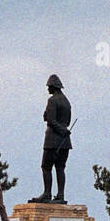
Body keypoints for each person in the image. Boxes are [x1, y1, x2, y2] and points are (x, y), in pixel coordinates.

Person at [31, 74, 71, 203]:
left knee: (46, 166)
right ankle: (60, 195)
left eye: (48, 87)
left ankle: (47, 193)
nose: (47, 90)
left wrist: (48, 118)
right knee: (60, 167)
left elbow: (52, 121)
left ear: (53, 87)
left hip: (53, 140)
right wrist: (64, 131)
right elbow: (67, 121)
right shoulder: (67, 101)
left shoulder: (52, 100)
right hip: (65, 141)